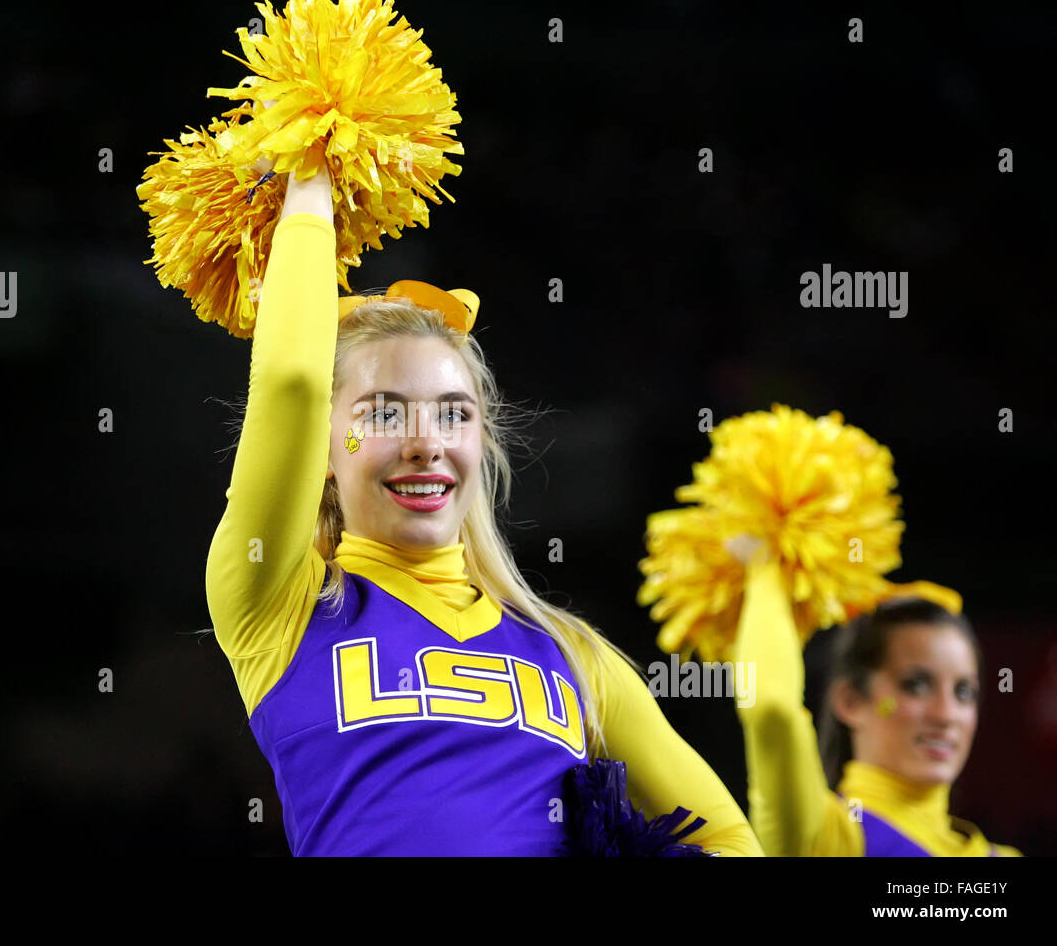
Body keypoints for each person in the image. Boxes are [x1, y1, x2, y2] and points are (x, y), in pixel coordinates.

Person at [205, 160, 763, 856]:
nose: (425, 444)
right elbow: (290, 379)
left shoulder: (574, 656)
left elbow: (733, 839)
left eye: (453, 414)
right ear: (319, 448)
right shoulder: (278, 605)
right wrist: (314, 161)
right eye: (383, 413)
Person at [730, 541, 1021, 856]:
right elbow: (772, 707)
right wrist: (765, 565)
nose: (946, 714)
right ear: (850, 702)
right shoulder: (830, 835)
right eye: (916, 685)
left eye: (964, 692)